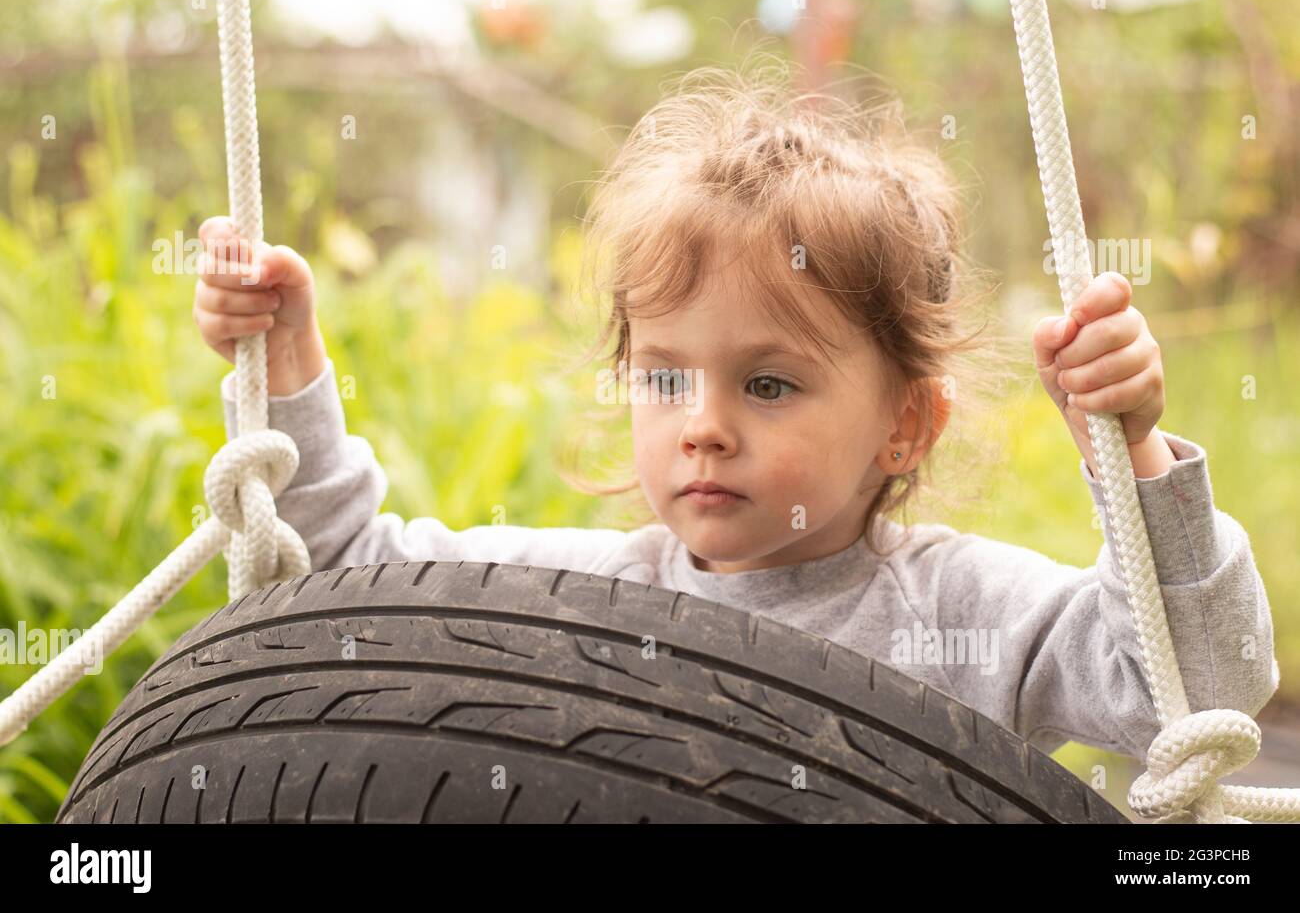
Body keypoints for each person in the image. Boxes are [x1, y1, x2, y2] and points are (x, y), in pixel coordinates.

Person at [192, 61, 1277, 764]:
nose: (702, 423)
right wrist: (288, 361)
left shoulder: (970, 611)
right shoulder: (580, 599)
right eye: (665, 377)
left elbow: (1197, 690)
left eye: (768, 383)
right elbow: (340, 578)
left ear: (905, 423)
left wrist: (1129, 449)